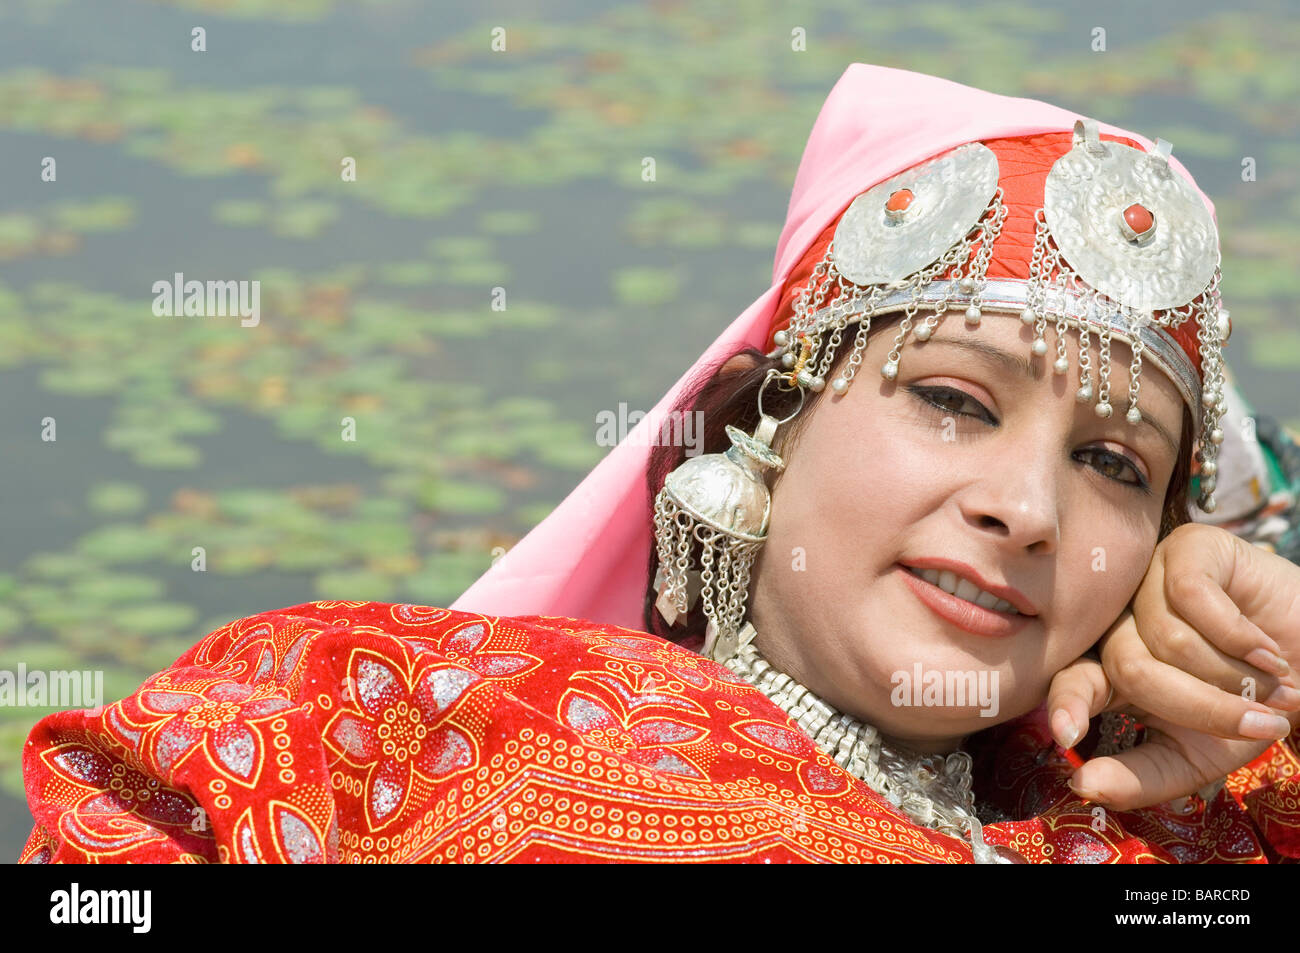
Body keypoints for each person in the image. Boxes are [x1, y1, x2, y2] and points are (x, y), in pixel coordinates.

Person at [18, 64, 1300, 864]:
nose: (1025, 507)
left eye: (1112, 467)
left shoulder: (1181, 831)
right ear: (773, 421)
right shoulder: (405, 722)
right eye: (957, 401)